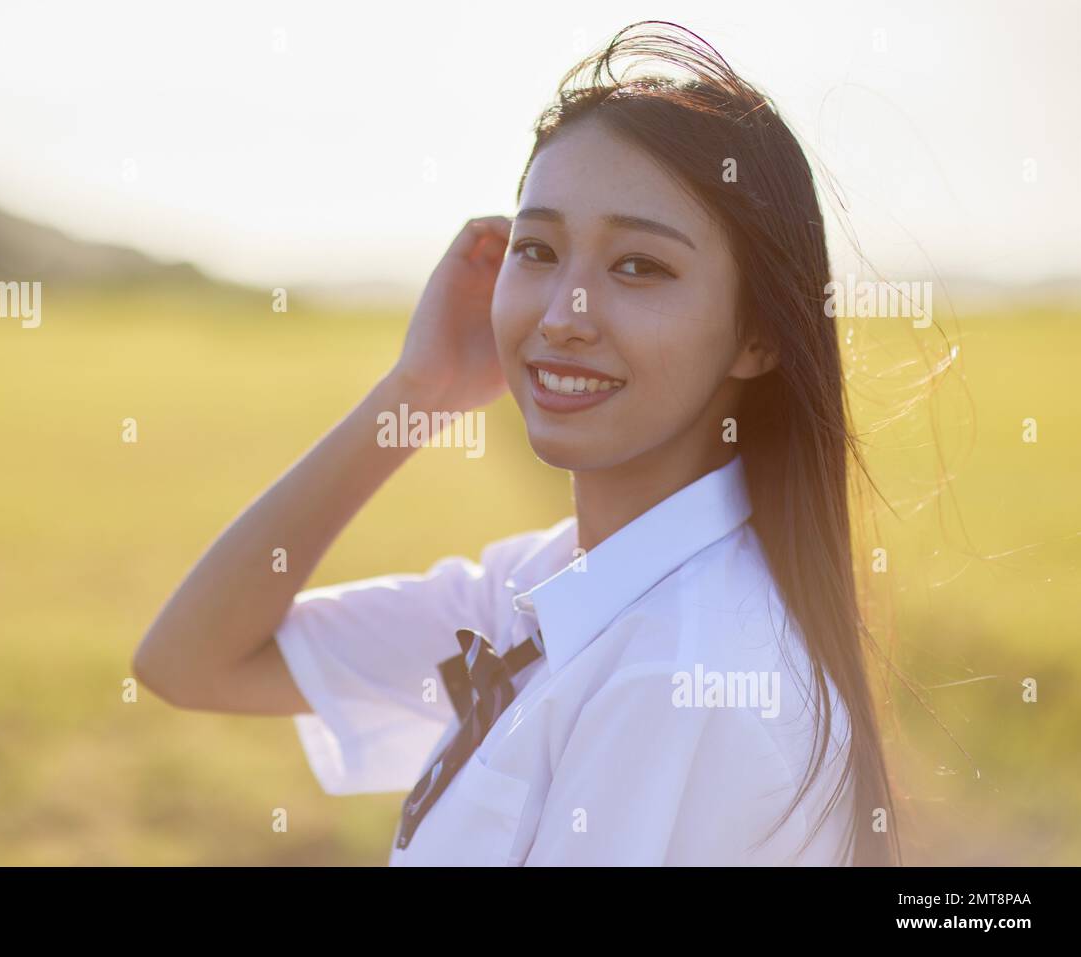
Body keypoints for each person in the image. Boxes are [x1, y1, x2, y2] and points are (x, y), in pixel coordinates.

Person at [132, 20, 902, 866]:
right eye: (537, 250)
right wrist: (414, 395)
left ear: (759, 334)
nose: (561, 314)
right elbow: (190, 661)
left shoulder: (679, 683)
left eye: (639, 266)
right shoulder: (540, 587)